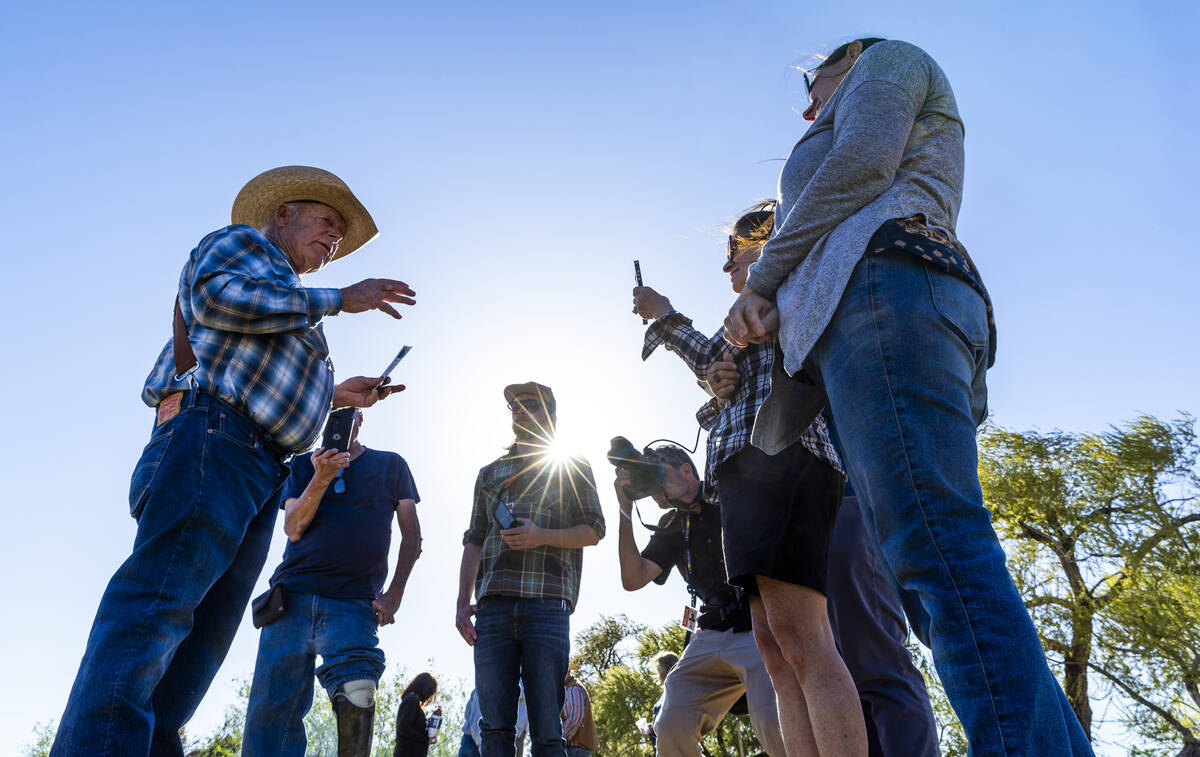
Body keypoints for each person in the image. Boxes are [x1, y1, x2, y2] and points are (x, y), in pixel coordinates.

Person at [723, 38, 1093, 754]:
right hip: (867, 310)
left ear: (848, 55)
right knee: (930, 559)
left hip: (889, 287)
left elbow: (862, 160)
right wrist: (774, 306)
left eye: (812, 81)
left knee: (938, 550)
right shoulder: (857, 88)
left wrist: (766, 277)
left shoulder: (886, 60)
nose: (807, 105)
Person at [51, 165, 416, 757]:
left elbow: (260, 374)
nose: (333, 241)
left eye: (339, 236)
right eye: (327, 223)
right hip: (214, 438)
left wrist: (336, 393)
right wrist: (341, 300)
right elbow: (219, 300)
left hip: (255, 463)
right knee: (157, 610)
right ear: (282, 214)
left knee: (200, 642)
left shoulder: (289, 300)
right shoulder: (245, 247)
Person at [637, 203, 939, 755]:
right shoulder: (751, 315)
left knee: (806, 641)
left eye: (736, 252)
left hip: (785, 457)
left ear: (771, 243)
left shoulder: (792, 294)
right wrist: (710, 371)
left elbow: (776, 359)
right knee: (776, 652)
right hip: (744, 471)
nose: (727, 266)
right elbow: (716, 358)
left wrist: (669, 318)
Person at [242, 409, 422, 757]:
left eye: (347, 417)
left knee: (358, 696)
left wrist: (396, 593)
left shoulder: (391, 465)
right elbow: (293, 527)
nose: (339, 423)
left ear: (360, 421)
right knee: (270, 719)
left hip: (354, 604)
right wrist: (322, 476)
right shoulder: (301, 466)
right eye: (332, 415)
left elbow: (411, 536)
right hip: (290, 599)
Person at [456, 382, 606, 757]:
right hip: (492, 608)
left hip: (548, 605)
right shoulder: (489, 473)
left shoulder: (574, 465)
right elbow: (474, 539)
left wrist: (541, 535)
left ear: (551, 415)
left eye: (529, 404)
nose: (519, 410)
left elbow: (593, 530)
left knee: (547, 730)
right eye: (514, 406)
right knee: (494, 729)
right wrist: (461, 603)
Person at [611, 444, 786, 757]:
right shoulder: (672, 526)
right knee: (669, 725)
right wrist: (624, 509)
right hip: (709, 632)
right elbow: (633, 578)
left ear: (687, 471)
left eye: (656, 470)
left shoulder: (726, 492)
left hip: (758, 619)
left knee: (773, 722)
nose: (654, 487)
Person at [460, 687, 530, 757]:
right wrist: (481, 741)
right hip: (478, 742)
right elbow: (480, 706)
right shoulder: (500, 679)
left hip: (508, 740)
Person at [394, 672, 439, 757]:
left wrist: (435, 718)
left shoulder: (413, 702)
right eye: (431, 691)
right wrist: (426, 739)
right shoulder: (411, 700)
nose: (430, 696)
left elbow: (415, 727)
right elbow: (403, 728)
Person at [561, 672, 597, 757]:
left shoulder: (573, 689)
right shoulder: (571, 687)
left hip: (576, 750)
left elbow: (575, 718)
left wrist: (560, 738)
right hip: (577, 750)